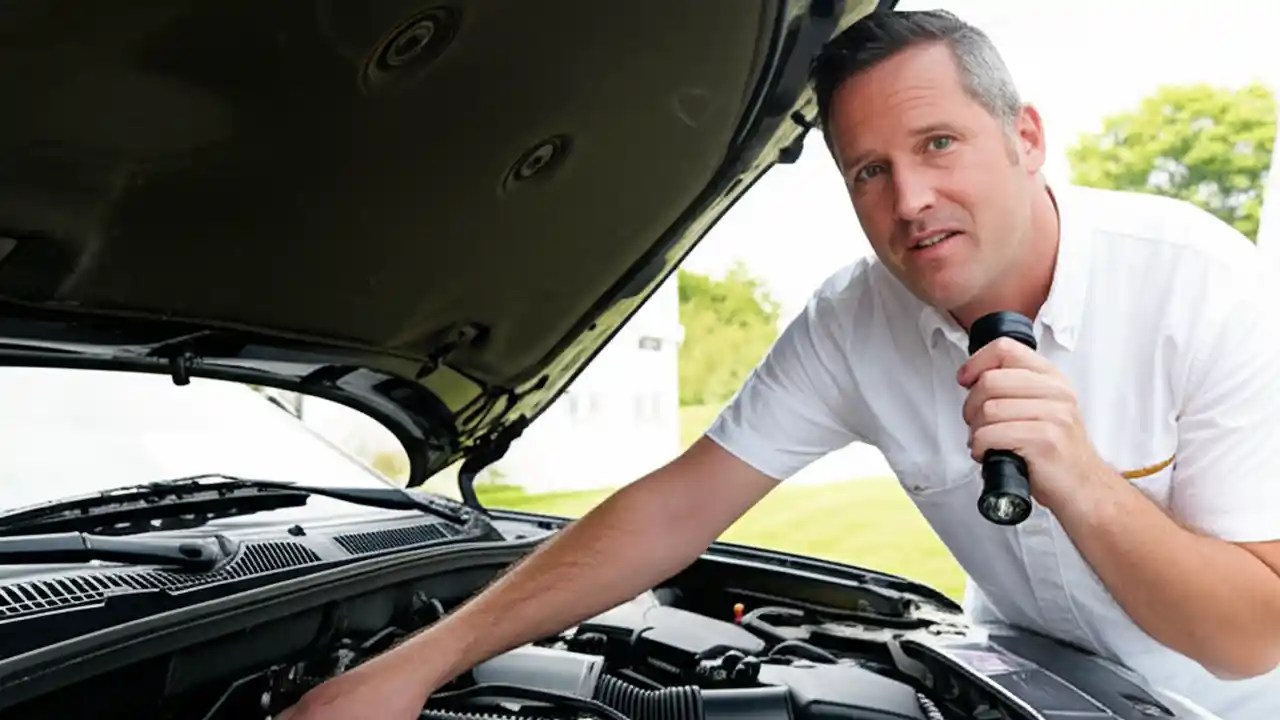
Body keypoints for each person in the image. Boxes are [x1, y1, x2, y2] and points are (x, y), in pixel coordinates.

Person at [279, 9, 1280, 719]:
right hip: (1023, 684)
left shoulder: (1201, 293)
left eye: (939, 143)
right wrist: (414, 668)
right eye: (869, 171)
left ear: (1023, 138)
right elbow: (673, 509)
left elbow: (1250, 636)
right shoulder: (853, 319)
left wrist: (1090, 491)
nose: (908, 200)